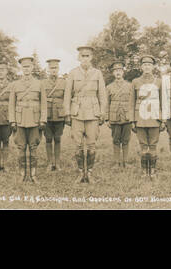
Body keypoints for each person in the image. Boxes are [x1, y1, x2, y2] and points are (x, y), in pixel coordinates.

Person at [65, 46, 109, 183]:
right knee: (78, 145)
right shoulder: (72, 73)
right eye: (82, 56)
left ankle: (89, 173)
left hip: (93, 112)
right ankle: (80, 173)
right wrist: (67, 113)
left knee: (91, 144)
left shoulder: (97, 73)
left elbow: (102, 94)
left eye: (87, 56)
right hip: (77, 112)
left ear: (91, 57)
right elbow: (67, 95)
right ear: (79, 58)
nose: (85, 58)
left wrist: (102, 113)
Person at [11, 56, 47, 182]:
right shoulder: (15, 84)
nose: (26, 69)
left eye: (28, 66)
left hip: (35, 119)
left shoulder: (39, 84)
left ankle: (33, 174)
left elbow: (43, 103)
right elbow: (12, 104)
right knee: (21, 147)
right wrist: (12, 120)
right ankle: (22, 174)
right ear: (21, 68)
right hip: (20, 119)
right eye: (24, 67)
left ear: (32, 68)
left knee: (33, 147)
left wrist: (43, 119)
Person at [132, 56, 165, 180]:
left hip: (155, 118)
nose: (147, 67)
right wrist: (132, 120)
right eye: (144, 64)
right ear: (141, 66)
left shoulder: (159, 82)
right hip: (140, 118)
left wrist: (163, 120)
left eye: (149, 64)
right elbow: (132, 102)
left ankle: (153, 171)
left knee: (153, 145)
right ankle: (144, 171)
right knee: (143, 145)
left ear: (153, 67)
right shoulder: (135, 82)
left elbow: (163, 102)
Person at [105, 62, 134, 170]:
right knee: (116, 140)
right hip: (114, 116)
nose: (118, 72)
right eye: (115, 71)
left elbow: (132, 103)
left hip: (127, 116)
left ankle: (125, 162)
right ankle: (117, 162)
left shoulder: (130, 86)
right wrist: (107, 118)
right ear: (113, 73)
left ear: (123, 72)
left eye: (120, 70)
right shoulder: (109, 87)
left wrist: (132, 117)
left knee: (126, 140)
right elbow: (106, 103)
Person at [41, 59, 68, 171]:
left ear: (58, 69)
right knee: (48, 139)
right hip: (46, 113)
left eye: (55, 68)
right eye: (51, 68)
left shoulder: (64, 83)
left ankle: (57, 163)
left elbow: (66, 99)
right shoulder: (42, 83)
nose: (53, 70)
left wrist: (66, 115)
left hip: (59, 114)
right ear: (48, 70)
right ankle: (49, 163)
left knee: (57, 138)